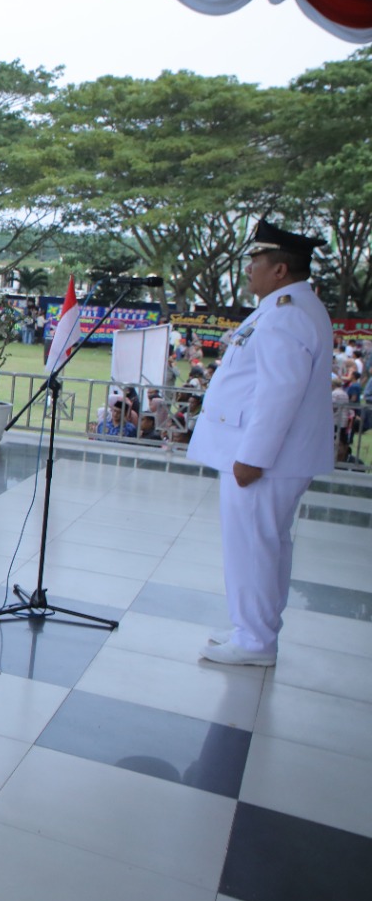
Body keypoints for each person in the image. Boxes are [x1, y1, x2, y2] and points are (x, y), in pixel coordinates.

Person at [188, 219, 334, 667]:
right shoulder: (287, 308)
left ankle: (255, 640)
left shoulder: (287, 314)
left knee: (253, 546)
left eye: (257, 260)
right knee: (265, 545)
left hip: (265, 459)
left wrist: (252, 458)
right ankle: (253, 628)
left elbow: (278, 394)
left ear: (280, 270)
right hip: (274, 457)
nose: (249, 268)